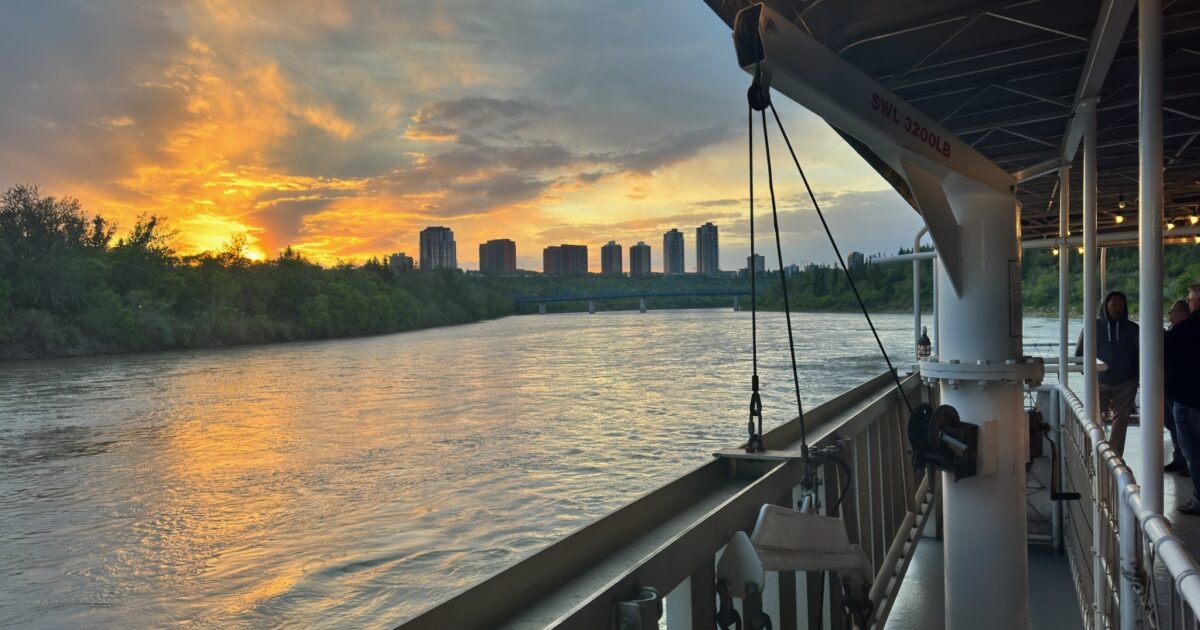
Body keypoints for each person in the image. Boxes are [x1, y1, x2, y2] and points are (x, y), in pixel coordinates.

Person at [1076, 291, 1139, 457]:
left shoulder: (1133, 329)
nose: (1118, 307)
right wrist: (1089, 375)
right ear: (1106, 306)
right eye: (1114, 304)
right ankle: (1093, 453)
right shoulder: (1093, 326)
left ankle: (1115, 457)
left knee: (1122, 420)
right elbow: (1079, 354)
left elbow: (1140, 354)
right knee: (1095, 417)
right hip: (1100, 380)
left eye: (1121, 304)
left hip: (1126, 382)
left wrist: (1137, 377)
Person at [1167, 284, 1200, 515]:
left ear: (1196, 302)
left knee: (1194, 453)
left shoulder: (1182, 331)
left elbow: (1165, 360)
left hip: (1188, 399)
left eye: (1190, 299)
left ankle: (1199, 499)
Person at [1166, 299, 1190, 474]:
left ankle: (1185, 461)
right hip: (1172, 387)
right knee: (1174, 424)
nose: (1170, 316)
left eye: (1172, 312)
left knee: (1180, 425)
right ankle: (1180, 458)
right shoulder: (1173, 332)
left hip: (1180, 389)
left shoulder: (1181, 334)